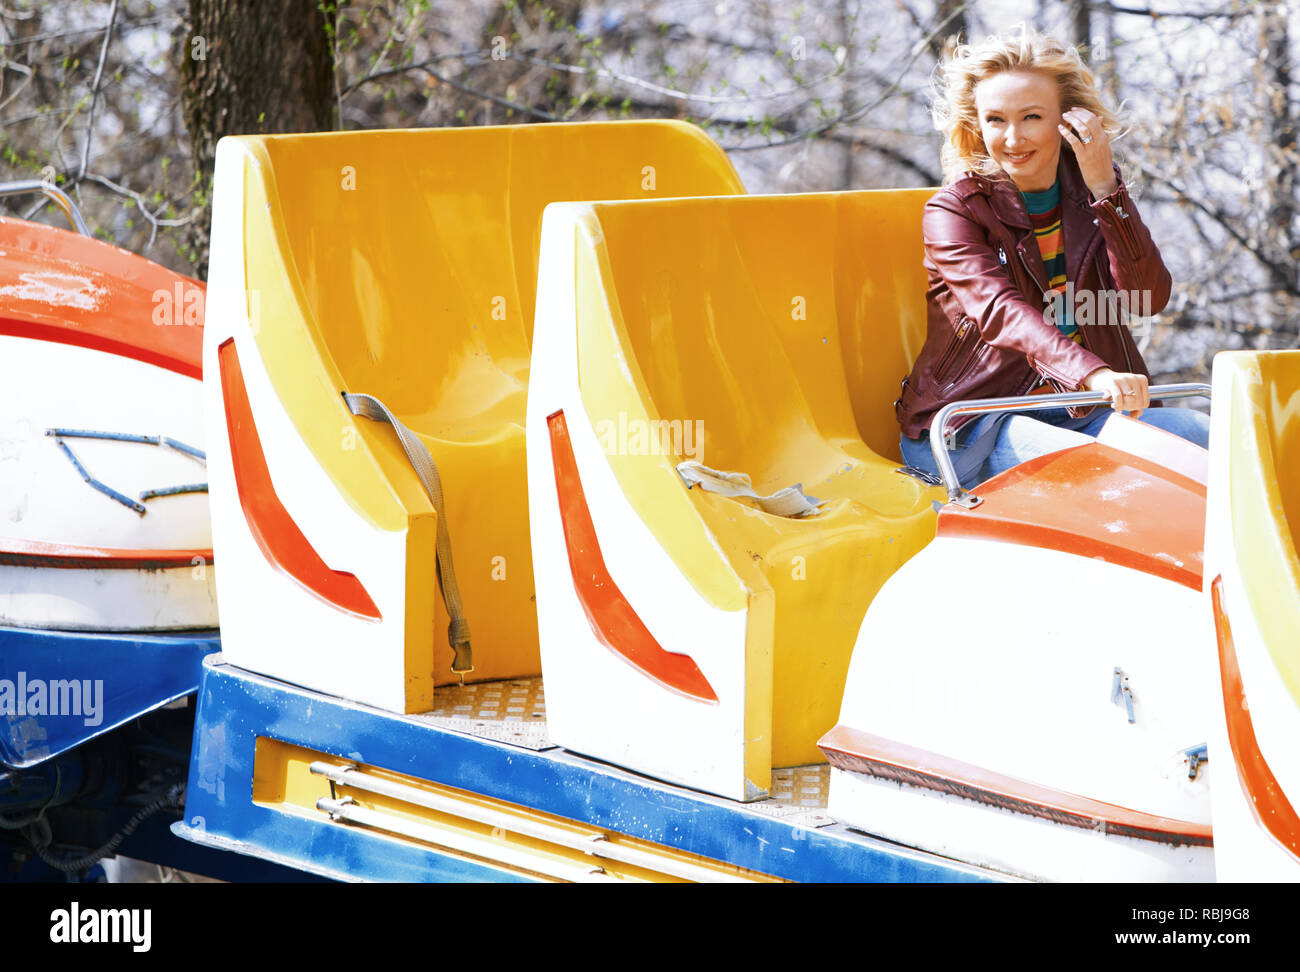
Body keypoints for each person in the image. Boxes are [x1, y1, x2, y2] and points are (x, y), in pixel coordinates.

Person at [895, 26, 1209, 489]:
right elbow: (1001, 314)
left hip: (1081, 411)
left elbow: (1147, 298)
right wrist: (1093, 374)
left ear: (1067, 119)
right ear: (976, 126)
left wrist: (1107, 190)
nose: (1012, 138)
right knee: (1108, 473)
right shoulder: (954, 210)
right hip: (975, 422)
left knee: (1212, 441)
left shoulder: (1092, 194)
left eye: (1031, 117)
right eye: (996, 120)